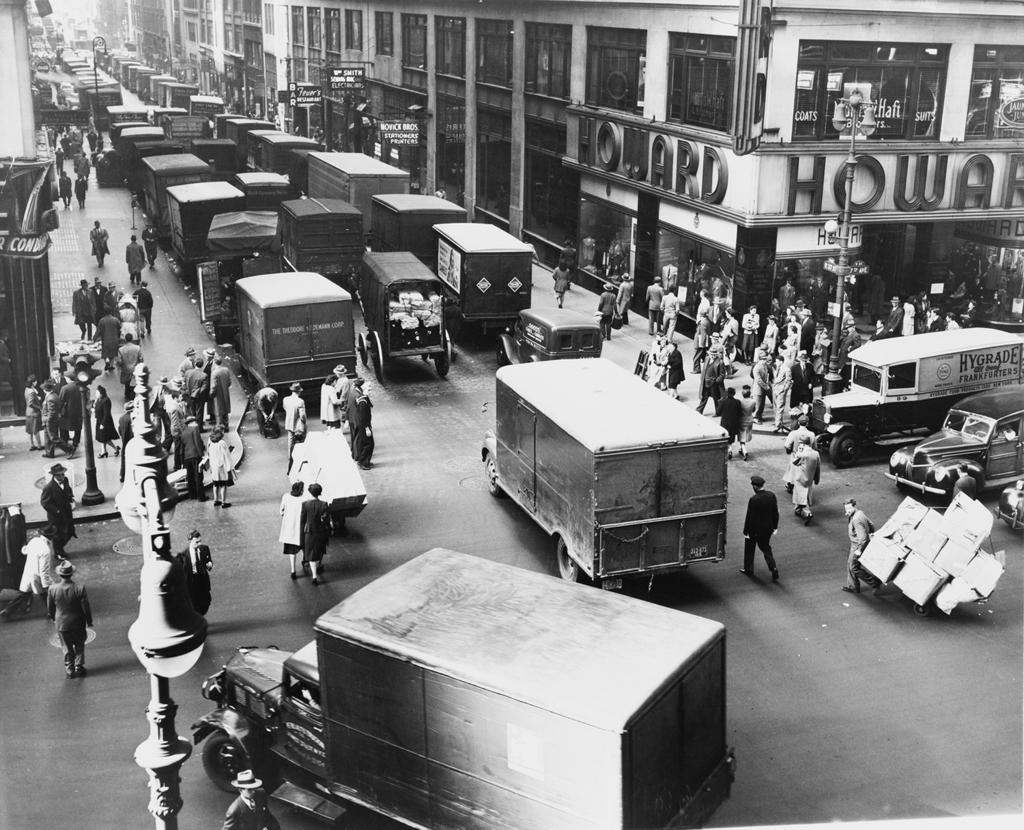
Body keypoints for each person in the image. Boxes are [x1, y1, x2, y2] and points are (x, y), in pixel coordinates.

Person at [47, 559, 93, 678]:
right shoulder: (79, 588)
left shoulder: (52, 589)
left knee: (66, 647)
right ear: (71, 573)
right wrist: (89, 621)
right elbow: (86, 607)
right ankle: (79, 666)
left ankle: (69, 669)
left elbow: (50, 607)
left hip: (62, 623)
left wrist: (54, 618)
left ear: (59, 574)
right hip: (78, 622)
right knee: (79, 644)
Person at [0, 526, 57, 618]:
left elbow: (24, 551)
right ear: (52, 536)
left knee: (24, 594)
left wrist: (25, 545)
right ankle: (52, 613)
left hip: (28, 571)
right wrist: (47, 585)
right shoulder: (46, 550)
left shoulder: (34, 541)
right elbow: (43, 571)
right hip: (37, 576)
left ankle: (8, 610)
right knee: (45, 595)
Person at [740, 475, 780, 581]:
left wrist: (746, 531)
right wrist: (775, 527)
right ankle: (773, 567)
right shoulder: (771, 495)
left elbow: (750, 517)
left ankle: (748, 568)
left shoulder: (754, 499)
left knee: (749, 548)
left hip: (755, 530)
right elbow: (775, 512)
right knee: (766, 548)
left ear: (755, 487)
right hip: (768, 529)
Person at [842, 499, 881, 595]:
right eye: (846, 508)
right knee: (850, 564)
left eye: (849, 508)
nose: (847, 510)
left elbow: (863, 538)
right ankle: (853, 586)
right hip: (856, 544)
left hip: (858, 545)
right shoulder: (860, 513)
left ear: (854, 506)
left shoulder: (856, 520)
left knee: (854, 567)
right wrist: (871, 533)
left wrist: (859, 550)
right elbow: (871, 524)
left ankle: (874, 582)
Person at [40, 463, 76, 557]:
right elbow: (45, 502)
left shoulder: (65, 480)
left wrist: (71, 498)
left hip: (67, 512)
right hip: (56, 516)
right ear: (55, 475)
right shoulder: (49, 487)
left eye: (63, 474)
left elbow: (68, 490)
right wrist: (57, 511)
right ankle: (58, 552)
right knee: (58, 535)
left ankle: (60, 549)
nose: (63, 476)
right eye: (60, 474)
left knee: (69, 531)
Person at [300, 483, 331, 585]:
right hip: (321, 531)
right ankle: (319, 565)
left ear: (310, 492)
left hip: (309, 532)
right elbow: (326, 520)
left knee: (311, 553)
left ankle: (314, 576)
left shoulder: (305, 504)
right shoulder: (324, 504)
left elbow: (302, 520)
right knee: (320, 549)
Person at [177, 529, 213, 615]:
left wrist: (210, 564)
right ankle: (197, 617)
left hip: (202, 579)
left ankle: (199, 615)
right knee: (193, 602)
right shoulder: (183, 555)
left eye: (200, 541)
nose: (199, 544)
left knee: (206, 600)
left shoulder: (205, 549)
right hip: (191, 581)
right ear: (190, 541)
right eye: (197, 542)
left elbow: (209, 561)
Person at [791, 440, 821, 525]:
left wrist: (797, 452)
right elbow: (818, 467)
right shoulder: (816, 453)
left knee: (801, 496)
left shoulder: (802, 454)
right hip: (810, 478)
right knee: (806, 495)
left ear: (804, 444)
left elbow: (795, 462)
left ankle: (807, 513)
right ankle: (798, 509)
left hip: (800, 478)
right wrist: (816, 479)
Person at [280, 481, 306, 579]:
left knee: (292, 551)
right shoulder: (304, 500)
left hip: (289, 529)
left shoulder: (286, 497)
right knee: (304, 546)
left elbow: (281, 511)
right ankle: (305, 560)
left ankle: (293, 570)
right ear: (301, 491)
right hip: (301, 528)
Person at [204, 428, 235, 507]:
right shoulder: (222, 443)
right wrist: (229, 468)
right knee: (223, 484)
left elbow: (209, 454)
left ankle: (216, 500)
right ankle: (224, 502)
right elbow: (226, 455)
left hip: (213, 465)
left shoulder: (210, 441)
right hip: (221, 466)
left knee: (215, 484)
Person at [180, 415, 207, 502]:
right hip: (195, 456)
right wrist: (201, 455)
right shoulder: (195, 430)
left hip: (187, 457)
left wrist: (182, 460)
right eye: (195, 422)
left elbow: (182, 447)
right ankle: (201, 496)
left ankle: (192, 494)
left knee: (190, 477)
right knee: (198, 476)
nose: (196, 423)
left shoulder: (183, 432)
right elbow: (197, 443)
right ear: (191, 423)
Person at [89, 384, 119, 458]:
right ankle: (104, 451)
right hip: (100, 420)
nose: (96, 395)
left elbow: (107, 413)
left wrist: (103, 424)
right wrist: (94, 409)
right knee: (102, 437)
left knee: (106, 438)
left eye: (97, 393)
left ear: (101, 393)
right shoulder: (99, 400)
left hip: (105, 422)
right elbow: (98, 409)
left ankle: (114, 449)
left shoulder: (106, 401)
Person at [696, 344, 726, 415]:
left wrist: (716, 381)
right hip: (706, 382)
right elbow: (704, 369)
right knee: (704, 397)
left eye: (714, 354)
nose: (713, 356)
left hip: (714, 384)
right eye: (711, 354)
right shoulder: (707, 359)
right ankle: (699, 410)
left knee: (716, 399)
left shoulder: (720, 362)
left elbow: (722, 375)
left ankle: (718, 412)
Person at [283, 382, 306, 473]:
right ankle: (299, 465)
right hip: (298, 427)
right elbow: (302, 416)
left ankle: (290, 463)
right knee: (300, 444)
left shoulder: (286, 399)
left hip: (289, 425)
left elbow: (285, 408)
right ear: (299, 392)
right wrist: (304, 423)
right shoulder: (300, 401)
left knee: (290, 445)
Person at [352, 378, 374, 470]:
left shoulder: (362, 399)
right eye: (368, 387)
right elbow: (362, 418)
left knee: (365, 443)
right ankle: (362, 462)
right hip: (364, 426)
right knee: (369, 444)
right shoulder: (363, 401)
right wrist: (367, 428)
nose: (370, 389)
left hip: (363, 426)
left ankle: (366, 462)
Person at [116, 333, 143, 401]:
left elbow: (119, 361)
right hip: (135, 369)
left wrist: (120, 365)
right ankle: (132, 396)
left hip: (125, 370)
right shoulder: (137, 348)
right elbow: (141, 358)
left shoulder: (121, 349)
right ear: (132, 339)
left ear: (125, 339)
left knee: (127, 384)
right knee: (133, 383)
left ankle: (127, 395)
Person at [719, 387, 742, 459]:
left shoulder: (723, 401)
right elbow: (739, 413)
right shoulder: (737, 402)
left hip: (725, 423)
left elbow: (718, 412)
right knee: (731, 438)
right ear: (734, 394)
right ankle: (730, 449)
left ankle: (728, 450)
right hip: (734, 423)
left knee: (725, 438)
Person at [209, 357, 233, 429]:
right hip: (225, 393)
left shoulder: (214, 373)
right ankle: (226, 426)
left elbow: (213, 386)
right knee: (225, 410)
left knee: (218, 411)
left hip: (217, 395)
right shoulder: (226, 370)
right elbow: (229, 382)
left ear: (214, 363)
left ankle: (220, 427)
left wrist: (211, 394)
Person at [772, 356, 794, 433]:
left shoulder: (786, 369)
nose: (776, 362)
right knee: (775, 407)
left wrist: (784, 389)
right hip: (775, 389)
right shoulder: (777, 368)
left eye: (777, 361)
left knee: (779, 407)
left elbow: (789, 380)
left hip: (781, 390)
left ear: (781, 361)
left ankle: (777, 425)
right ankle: (778, 421)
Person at [751, 350, 773, 424]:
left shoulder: (764, 366)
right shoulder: (757, 368)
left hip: (763, 389)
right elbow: (758, 380)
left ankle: (759, 416)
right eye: (764, 360)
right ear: (761, 360)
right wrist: (766, 387)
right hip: (758, 390)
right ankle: (755, 417)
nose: (766, 361)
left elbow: (766, 377)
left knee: (761, 405)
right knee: (757, 405)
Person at [24, 375, 43, 451]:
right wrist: (40, 408)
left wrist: (37, 398)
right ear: (33, 382)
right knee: (36, 430)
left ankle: (32, 445)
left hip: (28, 412)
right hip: (34, 413)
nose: (36, 382)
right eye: (35, 381)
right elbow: (30, 403)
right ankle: (39, 446)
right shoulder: (32, 391)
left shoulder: (27, 389)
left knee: (30, 430)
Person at [737, 385, 756, 460]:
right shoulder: (753, 401)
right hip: (749, 419)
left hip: (742, 419)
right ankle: (742, 449)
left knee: (741, 435)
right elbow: (753, 410)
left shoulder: (740, 401)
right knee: (745, 435)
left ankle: (744, 450)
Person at [117, 401, 135, 483]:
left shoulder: (121, 418)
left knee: (123, 458)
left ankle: (122, 475)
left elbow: (120, 430)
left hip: (124, 441)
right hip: (132, 441)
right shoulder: (132, 419)